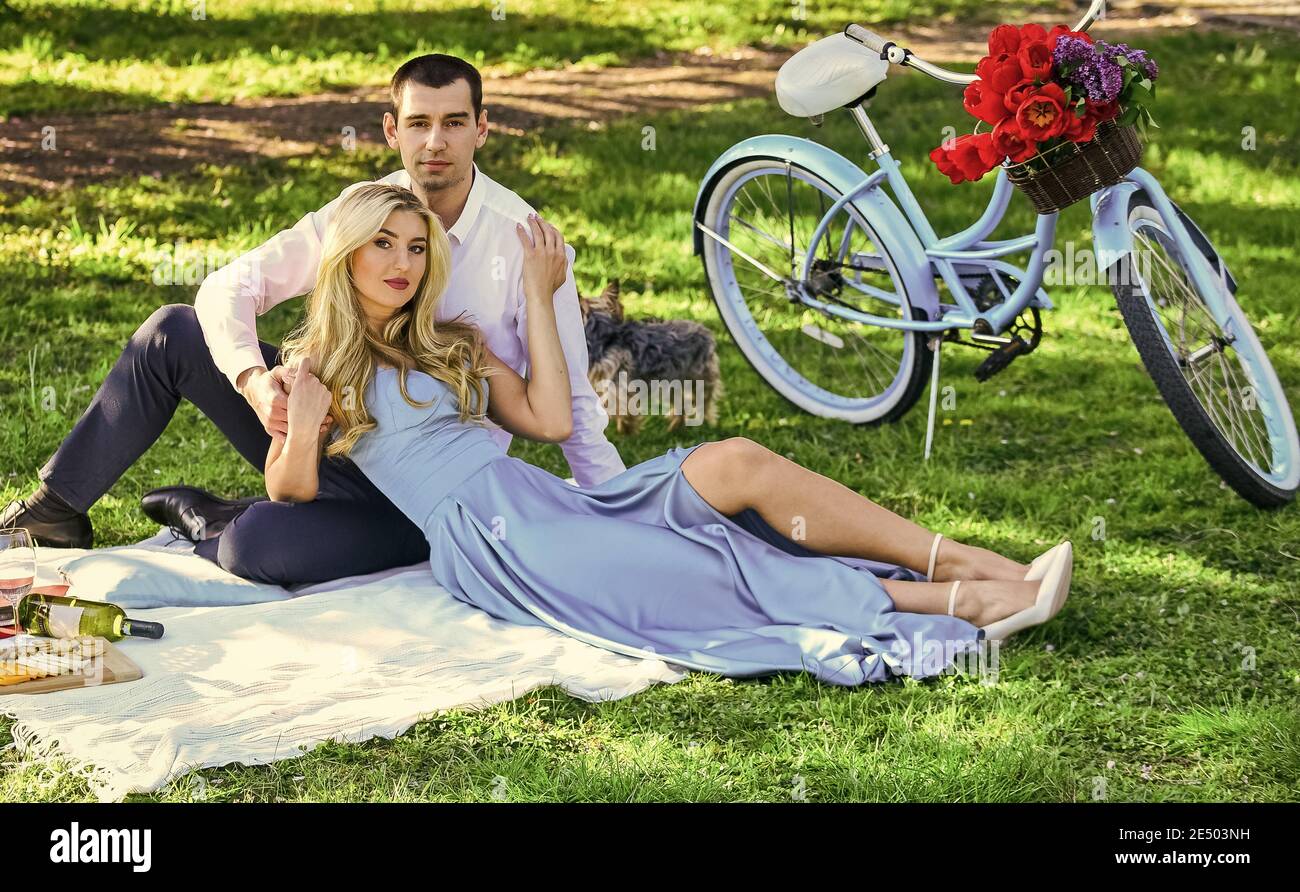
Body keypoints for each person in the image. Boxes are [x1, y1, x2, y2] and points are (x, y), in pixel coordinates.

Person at [270, 181, 1073, 686]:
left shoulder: (454, 338)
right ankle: (964, 601)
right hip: (497, 542)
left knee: (735, 462)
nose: (403, 262)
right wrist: (302, 426)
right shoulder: (317, 362)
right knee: (704, 566)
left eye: (416, 247)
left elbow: (551, 421)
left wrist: (541, 298)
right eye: (384, 243)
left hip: (550, 501)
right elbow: (289, 489)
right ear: (347, 253)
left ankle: (955, 556)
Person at [0, 53, 626, 584]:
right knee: (173, 330)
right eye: (419, 124)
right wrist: (254, 382)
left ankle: (217, 518)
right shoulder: (364, 211)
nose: (435, 143)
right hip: (331, 425)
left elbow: (569, 408)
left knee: (261, 544)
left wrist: (613, 520)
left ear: (482, 129)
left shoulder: (526, 242)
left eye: (454, 123)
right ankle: (53, 512)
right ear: (391, 130)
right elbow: (229, 287)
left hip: (418, 489)